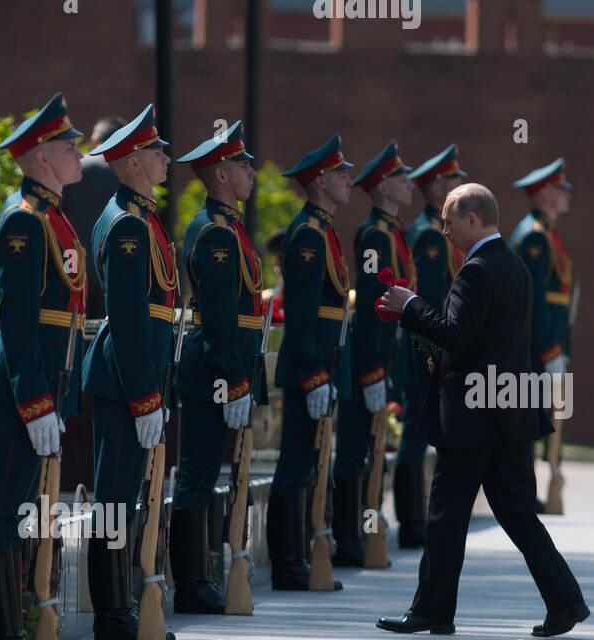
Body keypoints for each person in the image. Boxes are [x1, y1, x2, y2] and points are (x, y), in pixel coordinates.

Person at [375, 183, 588, 637]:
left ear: (473, 220)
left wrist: (410, 306)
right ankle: (566, 600)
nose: (445, 230)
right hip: (506, 407)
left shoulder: (476, 271)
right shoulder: (512, 265)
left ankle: (432, 609)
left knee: (446, 514)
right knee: (515, 513)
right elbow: (488, 339)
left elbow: (456, 334)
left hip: (473, 415)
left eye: (450, 222)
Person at [0, 93, 86, 640]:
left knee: (23, 507)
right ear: (41, 157)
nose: (77, 154)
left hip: (43, 386)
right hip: (21, 386)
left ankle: (14, 627)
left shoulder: (53, 217)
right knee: (4, 507)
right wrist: (35, 399)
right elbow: (17, 321)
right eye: (68, 147)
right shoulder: (24, 219)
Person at [81, 104, 178, 640]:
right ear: (134, 162)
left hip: (141, 376)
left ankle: (121, 606)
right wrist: (144, 396)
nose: (166, 158)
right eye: (157, 151)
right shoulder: (125, 224)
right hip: (126, 379)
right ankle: (111, 612)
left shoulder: (140, 217)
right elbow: (128, 316)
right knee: (115, 497)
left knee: (127, 495)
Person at [171, 119, 263, 612]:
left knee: (208, 473)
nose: (252, 172)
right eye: (243, 165)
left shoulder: (228, 227)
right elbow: (222, 315)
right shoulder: (216, 234)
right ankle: (191, 583)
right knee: (198, 474)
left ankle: (199, 577)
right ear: (222, 174)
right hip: (215, 369)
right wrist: (234, 379)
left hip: (224, 366)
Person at [267, 134, 353, 591]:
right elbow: (300, 314)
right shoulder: (306, 234)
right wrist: (315, 374)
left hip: (320, 364)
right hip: (307, 368)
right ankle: (287, 562)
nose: (349, 181)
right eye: (341, 174)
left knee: (311, 462)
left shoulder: (321, 229)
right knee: (296, 464)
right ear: (320, 182)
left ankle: (300, 555)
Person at [341, 138, 414, 568]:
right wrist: (370, 372)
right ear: (384, 188)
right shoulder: (373, 235)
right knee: (355, 449)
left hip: (390, 354)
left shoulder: (392, 234)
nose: (409, 185)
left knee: (374, 449)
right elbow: (371, 305)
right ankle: (351, 538)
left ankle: (367, 531)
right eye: (401, 178)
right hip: (371, 358)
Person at [401, 142, 468, 548]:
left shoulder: (437, 230)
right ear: (438, 185)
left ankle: (417, 520)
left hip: (433, 342)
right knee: (414, 430)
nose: (460, 185)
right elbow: (426, 297)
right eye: (455, 180)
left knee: (422, 431)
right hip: (424, 346)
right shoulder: (429, 233)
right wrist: (433, 349)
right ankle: (411, 523)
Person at [510, 158, 574, 513]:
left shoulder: (546, 232)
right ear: (546, 193)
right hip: (536, 348)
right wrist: (550, 350)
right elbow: (534, 300)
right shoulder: (534, 235)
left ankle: (528, 491)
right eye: (562, 189)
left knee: (539, 418)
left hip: (549, 344)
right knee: (528, 417)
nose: (567, 195)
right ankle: (521, 492)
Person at [61, 114, 125, 319]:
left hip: (74, 269)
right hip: (113, 271)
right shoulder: (127, 171)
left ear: (94, 141)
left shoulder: (77, 169)